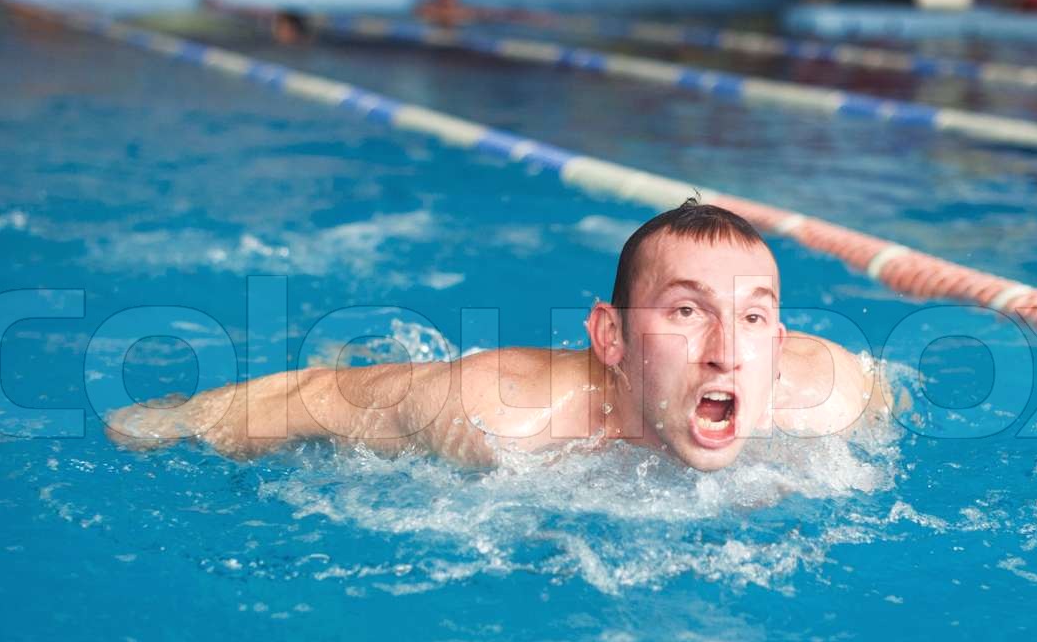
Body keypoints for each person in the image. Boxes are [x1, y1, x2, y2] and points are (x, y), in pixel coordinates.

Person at [106, 200, 885, 471]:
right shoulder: (501, 413)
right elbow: (321, 397)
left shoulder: (832, 395)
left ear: (778, 345)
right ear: (609, 337)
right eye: (686, 311)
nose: (726, 349)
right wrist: (175, 422)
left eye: (753, 316)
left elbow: (887, 392)